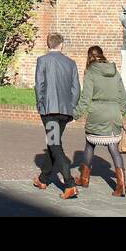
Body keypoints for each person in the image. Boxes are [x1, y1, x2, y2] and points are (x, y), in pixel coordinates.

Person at [73, 45, 126, 197]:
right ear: (102, 55)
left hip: (97, 113)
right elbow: (123, 97)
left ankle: (84, 179)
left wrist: (76, 114)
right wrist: (120, 112)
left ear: (89, 57)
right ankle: (121, 185)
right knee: (113, 148)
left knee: (90, 145)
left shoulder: (91, 72)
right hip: (114, 114)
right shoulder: (115, 71)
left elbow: (85, 98)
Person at [32, 33, 80, 198]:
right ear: (61, 45)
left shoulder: (43, 60)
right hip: (65, 111)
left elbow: (40, 85)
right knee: (54, 143)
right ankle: (43, 179)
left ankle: (69, 183)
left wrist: (40, 104)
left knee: (54, 144)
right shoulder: (71, 63)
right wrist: (71, 107)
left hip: (50, 110)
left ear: (48, 44)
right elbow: (76, 89)